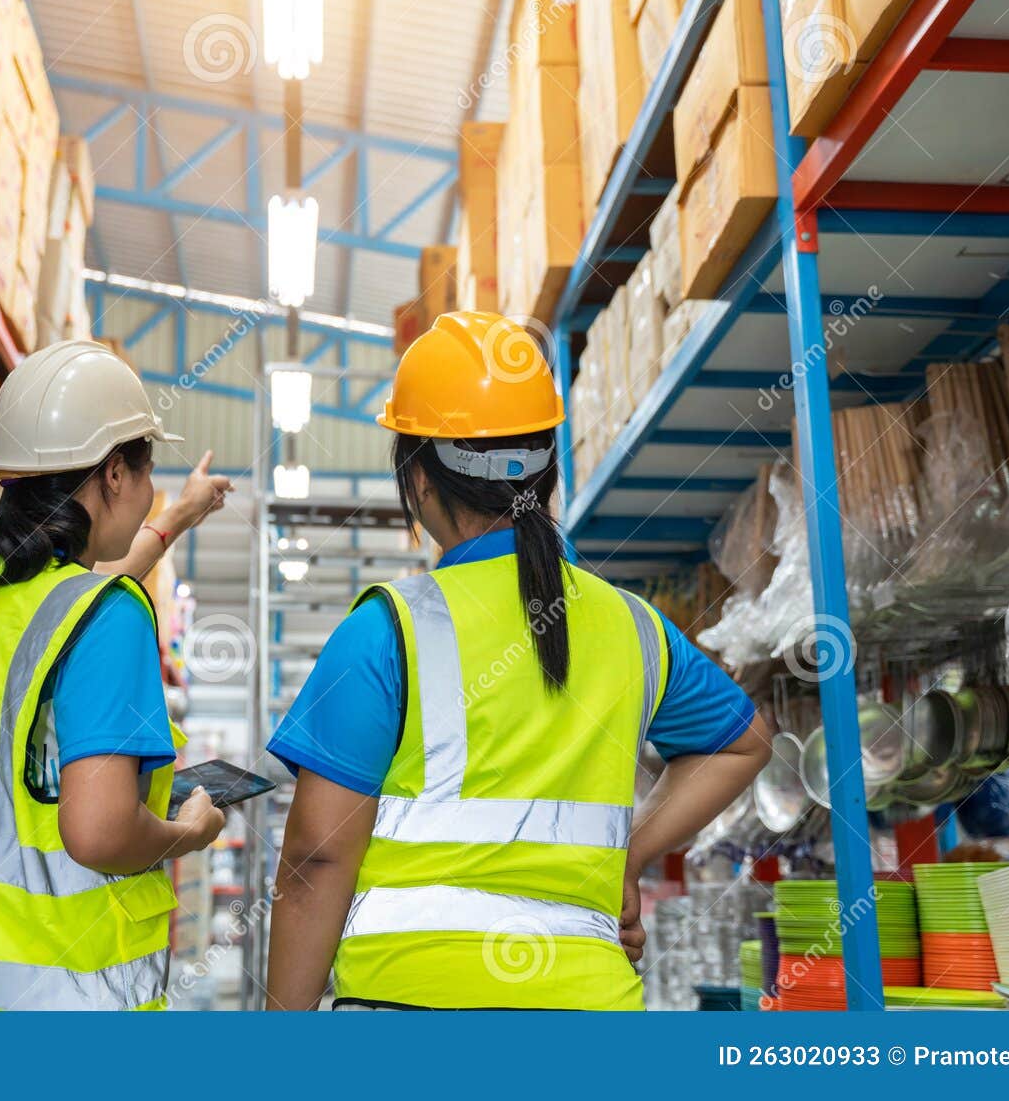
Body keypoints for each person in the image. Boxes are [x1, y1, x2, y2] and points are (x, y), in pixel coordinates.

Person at [264, 311, 772, 1011]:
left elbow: (317, 858)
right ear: (550, 466)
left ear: (418, 480)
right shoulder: (631, 624)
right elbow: (742, 744)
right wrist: (631, 850)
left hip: (412, 1009)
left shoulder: (387, 629)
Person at [0, 339, 232, 1011]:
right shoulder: (110, 617)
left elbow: (75, 601)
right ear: (115, 474)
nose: (148, 493)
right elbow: (101, 833)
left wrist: (179, 516)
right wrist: (186, 832)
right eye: (147, 474)